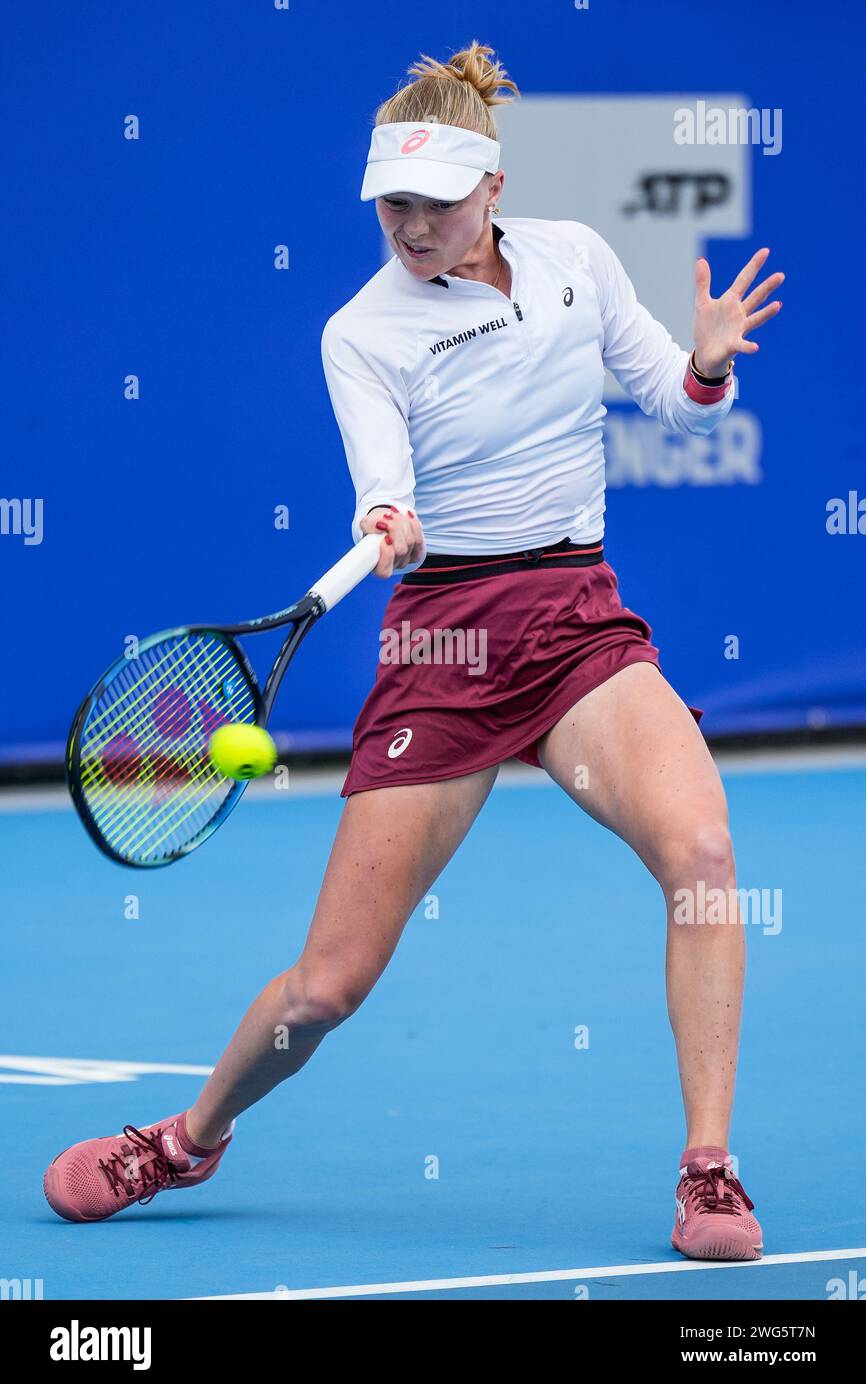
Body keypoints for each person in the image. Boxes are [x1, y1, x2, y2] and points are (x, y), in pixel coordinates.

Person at [44, 41, 783, 1262]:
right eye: (393, 204)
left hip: (575, 619)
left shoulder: (576, 261)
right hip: (442, 641)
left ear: (491, 189)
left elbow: (665, 392)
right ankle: (183, 1140)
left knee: (702, 849)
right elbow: (380, 474)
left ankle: (708, 1173)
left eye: (436, 204)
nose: (411, 225)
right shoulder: (359, 331)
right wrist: (386, 512)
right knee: (329, 985)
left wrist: (701, 363)